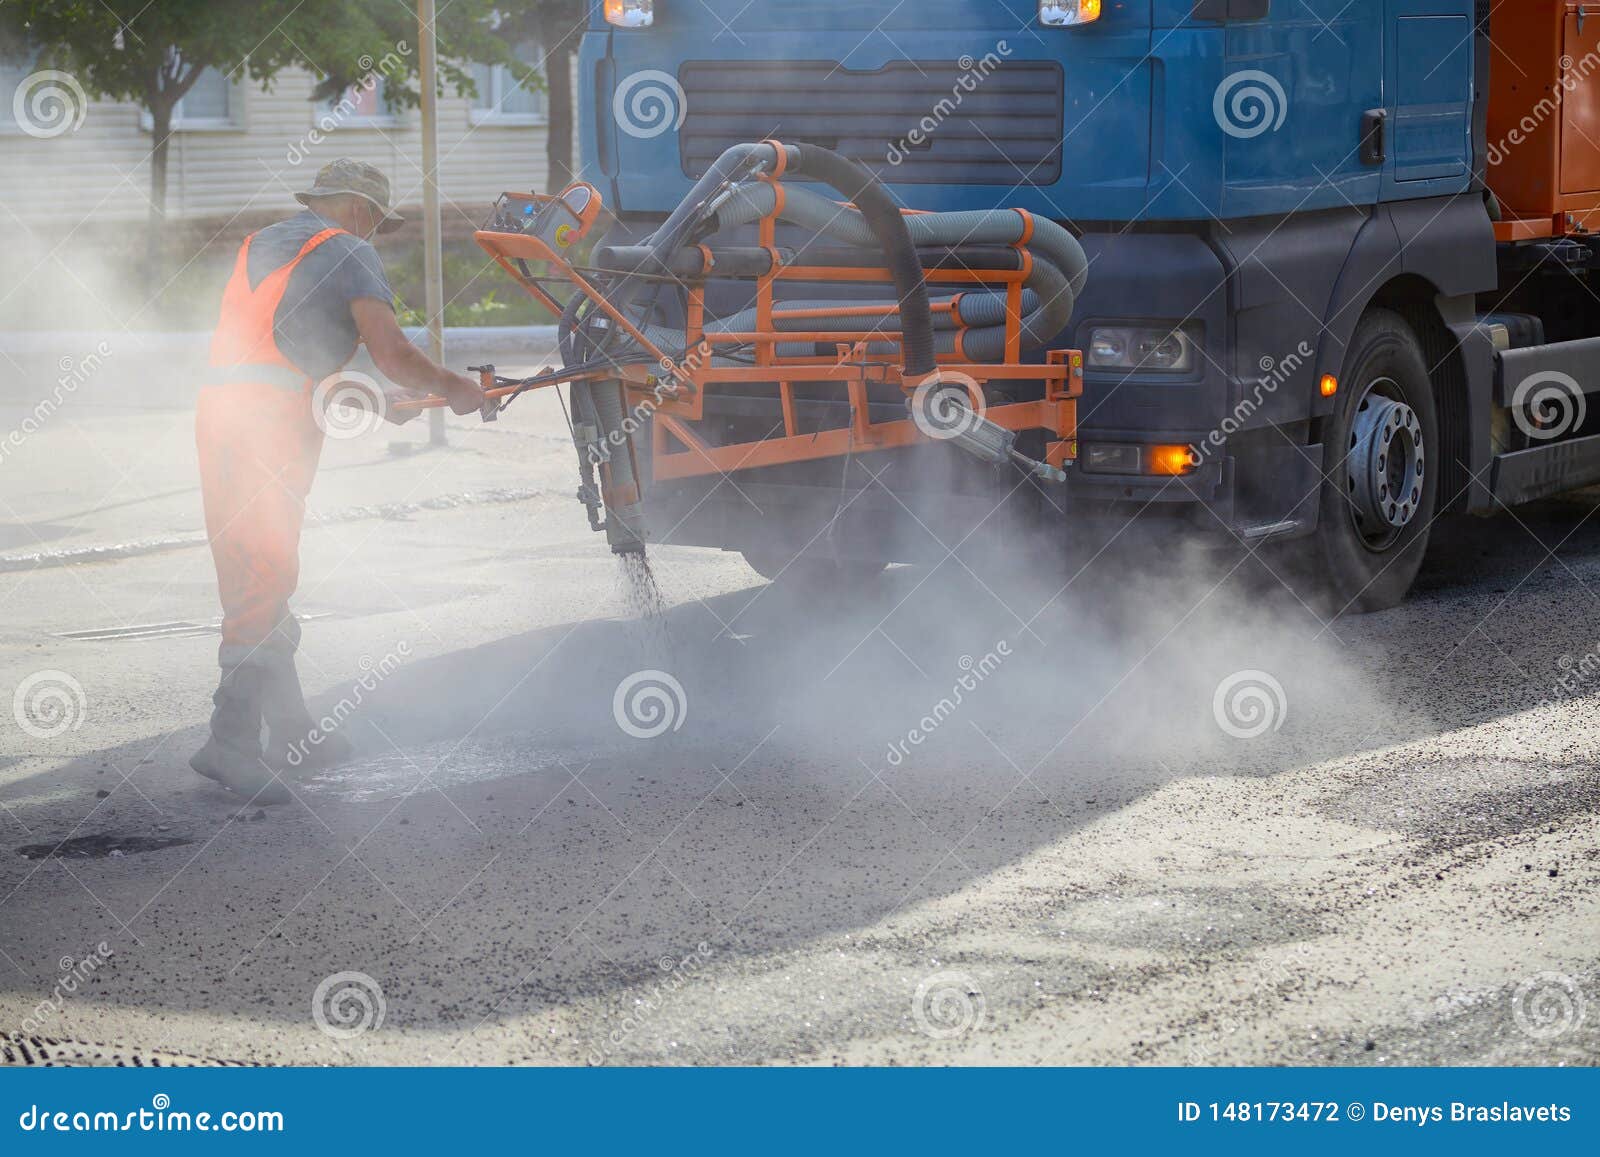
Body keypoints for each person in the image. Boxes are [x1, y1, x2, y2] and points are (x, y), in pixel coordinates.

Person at [191, 158, 482, 804]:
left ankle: (293, 728)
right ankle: (228, 740)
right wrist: (453, 386)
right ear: (358, 210)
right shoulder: (348, 249)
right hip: (267, 427)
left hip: (223, 418)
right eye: (377, 220)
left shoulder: (259, 245)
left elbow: (281, 359)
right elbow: (394, 353)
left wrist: (378, 401)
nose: (375, 232)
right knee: (263, 575)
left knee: (258, 572)